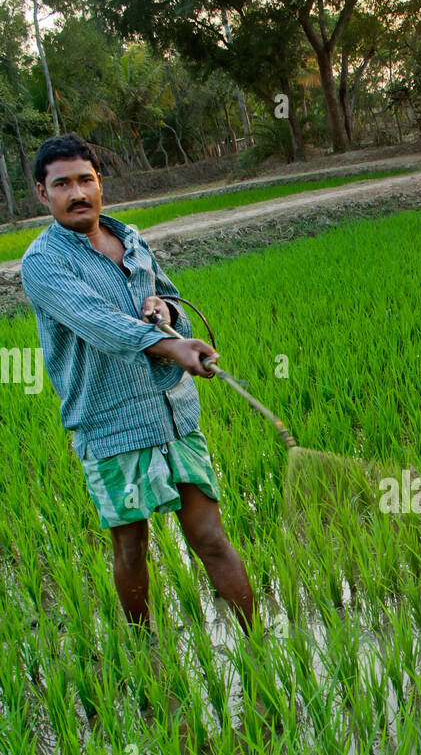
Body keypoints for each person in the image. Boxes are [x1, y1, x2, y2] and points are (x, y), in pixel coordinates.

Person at [21, 133, 255, 634]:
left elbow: (173, 302)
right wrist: (171, 347)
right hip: (110, 422)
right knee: (132, 545)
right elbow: (97, 322)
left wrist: (165, 312)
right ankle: (146, 652)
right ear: (43, 194)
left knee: (210, 536)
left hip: (174, 412)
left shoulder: (131, 239)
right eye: (62, 184)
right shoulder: (43, 262)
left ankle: (260, 649)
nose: (77, 192)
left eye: (85, 179)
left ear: (99, 182)